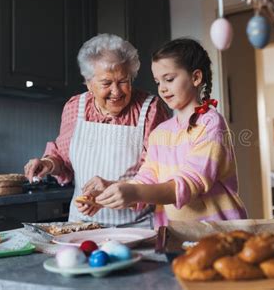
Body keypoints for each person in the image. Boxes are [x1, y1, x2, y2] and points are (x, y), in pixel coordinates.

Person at [83, 38, 247, 227]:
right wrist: (110, 189)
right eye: (158, 81)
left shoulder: (210, 123)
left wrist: (134, 193)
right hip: (176, 233)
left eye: (169, 79)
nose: (162, 88)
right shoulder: (160, 132)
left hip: (220, 231)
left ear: (196, 78)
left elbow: (190, 183)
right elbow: (146, 179)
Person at [24, 34, 169, 227]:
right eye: (106, 83)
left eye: (123, 81)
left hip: (137, 226)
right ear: (88, 82)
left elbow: (158, 171)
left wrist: (115, 188)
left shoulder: (150, 109)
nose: (116, 91)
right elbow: (63, 158)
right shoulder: (75, 107)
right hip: (82, 224)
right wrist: (48, 164)